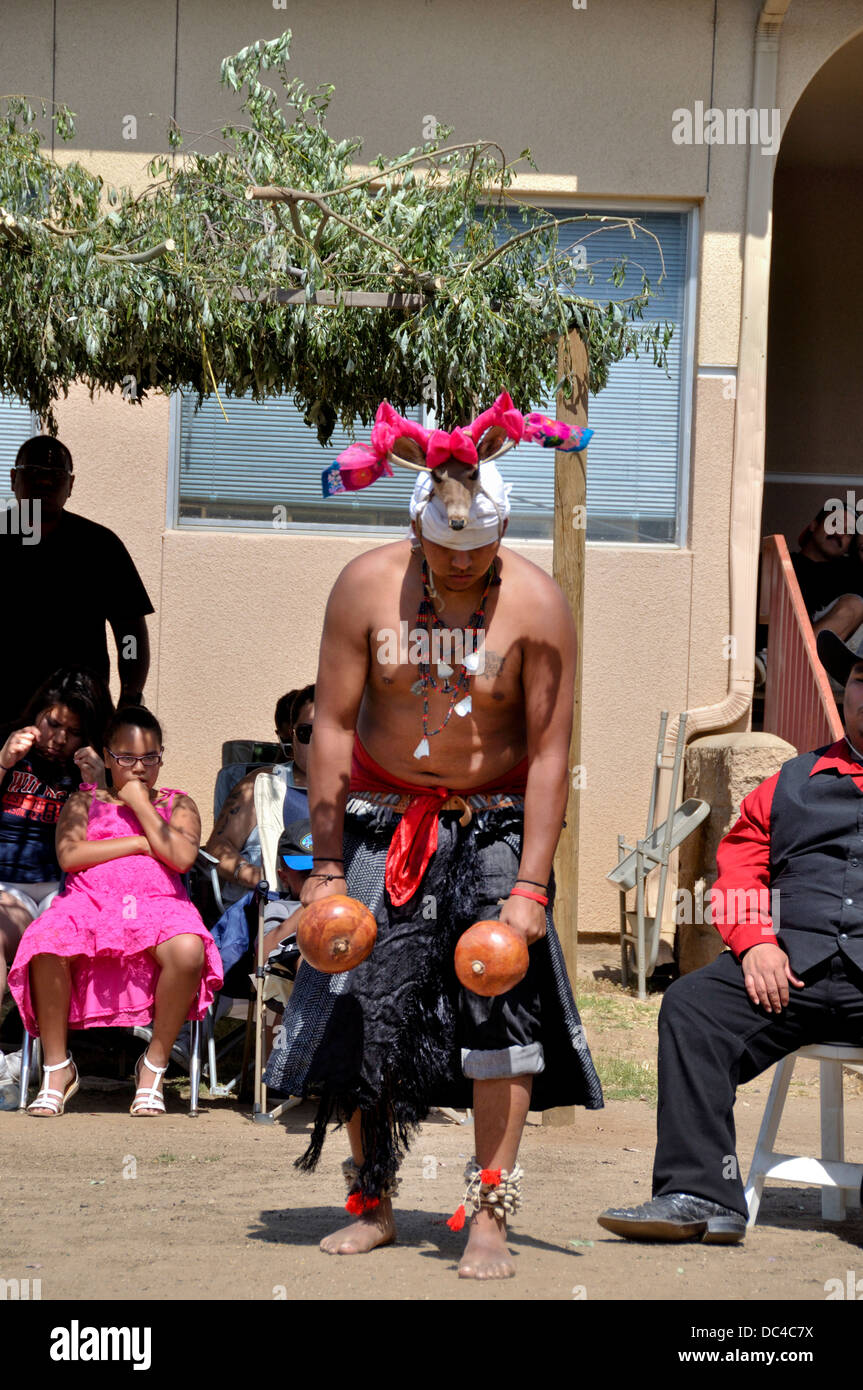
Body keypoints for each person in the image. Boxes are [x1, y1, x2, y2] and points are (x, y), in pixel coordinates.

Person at [265, 392, 603, 1280]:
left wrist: (529, 886)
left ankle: (486, 1211)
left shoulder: (537, 603)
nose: (459, 572)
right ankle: (371, 1197)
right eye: (443, 557)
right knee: (359, 993)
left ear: (499, 537)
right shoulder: (363, 586)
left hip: (492, 821)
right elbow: (331, 726)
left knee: (499, 997)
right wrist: (327, 862)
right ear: (418, 532)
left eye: (476, 557)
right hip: (383, 816)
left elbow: (549, 754)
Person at [598, 626, 863, 1244]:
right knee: (692, 1008)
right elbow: (739, 865)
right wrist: (755, 942)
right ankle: (698, 1193)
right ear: (845, 691)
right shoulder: (790, 781)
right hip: (788, 973)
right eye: (858, 679)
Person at [8, 706, 223, 1116]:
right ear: (107, 757)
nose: (138, 768)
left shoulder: (179, 804)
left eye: (149, 758)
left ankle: (154, 1064)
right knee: (46, 940)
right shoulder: (83, 800)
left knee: (188, 949)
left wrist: (141, 805)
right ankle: (58, 1067)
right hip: (90, 903)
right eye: (126, 758)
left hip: (160, 906)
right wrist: (142, 843)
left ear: (162, 756)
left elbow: (179, 857)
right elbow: (70, 855)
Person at [0, 668, 113, 1072]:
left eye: (73, 731)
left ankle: (47, 1065)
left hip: (63, 891)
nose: (59, 738)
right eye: (53, 724)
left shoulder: (92, 769)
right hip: (8, 887)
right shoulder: (11, 750)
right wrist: (2, 763)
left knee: (55, 945)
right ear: (37, 714)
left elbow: (106, 842)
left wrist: (98, 787)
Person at [0, 436, 154, 728]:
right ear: (13, 478)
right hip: (6, 714)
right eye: (34, 472)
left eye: (56, 475)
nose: (45, 483)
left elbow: (130, 634)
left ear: (70, 485)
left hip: (81, 717)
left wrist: (130, 698)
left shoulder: (101, 546)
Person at [205, 685, 314, 904]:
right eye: (306, 733)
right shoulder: (261, 784)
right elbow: (218, 848)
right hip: (266, 908)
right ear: (291, 736)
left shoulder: (358, 793)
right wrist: (262, 879)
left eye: (327, 731)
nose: (317, 741)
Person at [790, 504, 863, 641]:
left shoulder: (851, 574)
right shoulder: (778, 561)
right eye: (834, 523)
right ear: (813, 526)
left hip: (810, 654)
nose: (840, 534)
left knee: (856, 603)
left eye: (849, 533)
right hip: (769, 637)